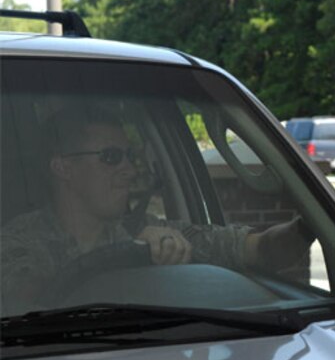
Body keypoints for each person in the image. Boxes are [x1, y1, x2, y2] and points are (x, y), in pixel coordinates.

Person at [0, 106, 314, 315]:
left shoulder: (151, 232)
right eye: (111, 157)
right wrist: (135, 257)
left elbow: (263, 250)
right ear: (63, 168)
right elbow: (27, 312)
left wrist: (310, 223)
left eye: (130, 155)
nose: (129, 169)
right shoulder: (18, 242)